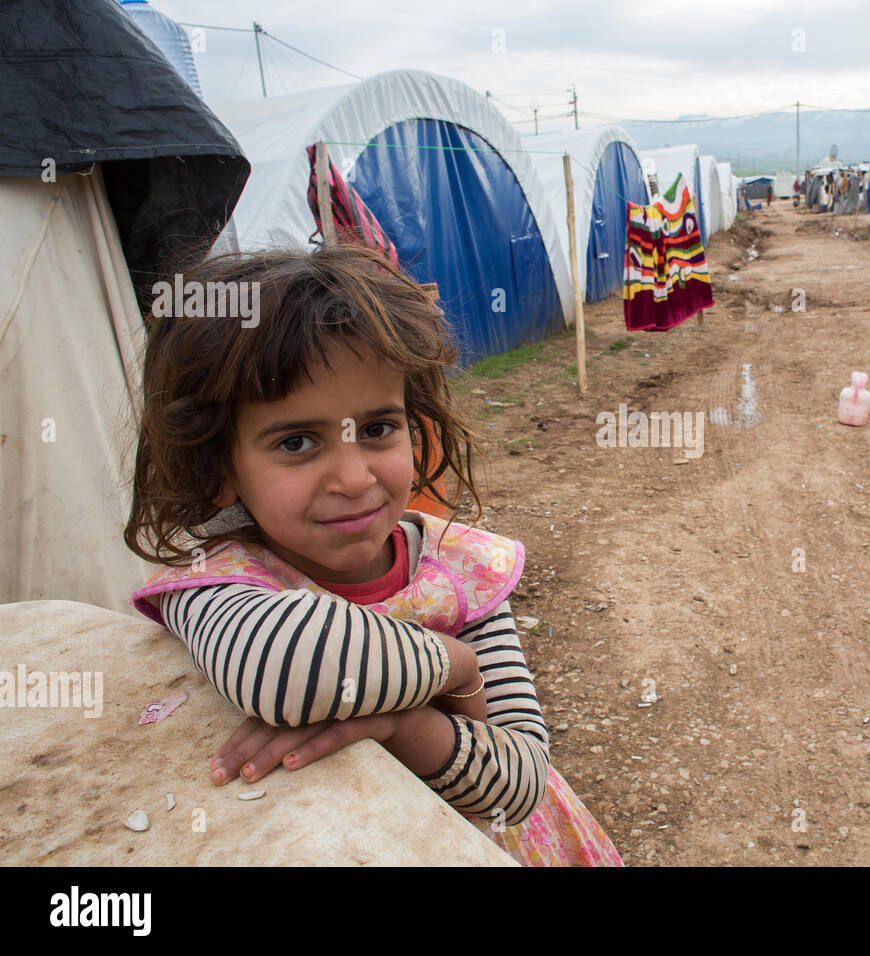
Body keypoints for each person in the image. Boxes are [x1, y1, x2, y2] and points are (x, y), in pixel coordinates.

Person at [124, 244, 621, 867]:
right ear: (217, 467)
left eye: (378, 429)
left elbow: (520, 784)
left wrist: (399, 725)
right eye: (298, 441)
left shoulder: (458, 572)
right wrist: (454, 668)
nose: (354, 478)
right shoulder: (217, 583)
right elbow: (286, 668)